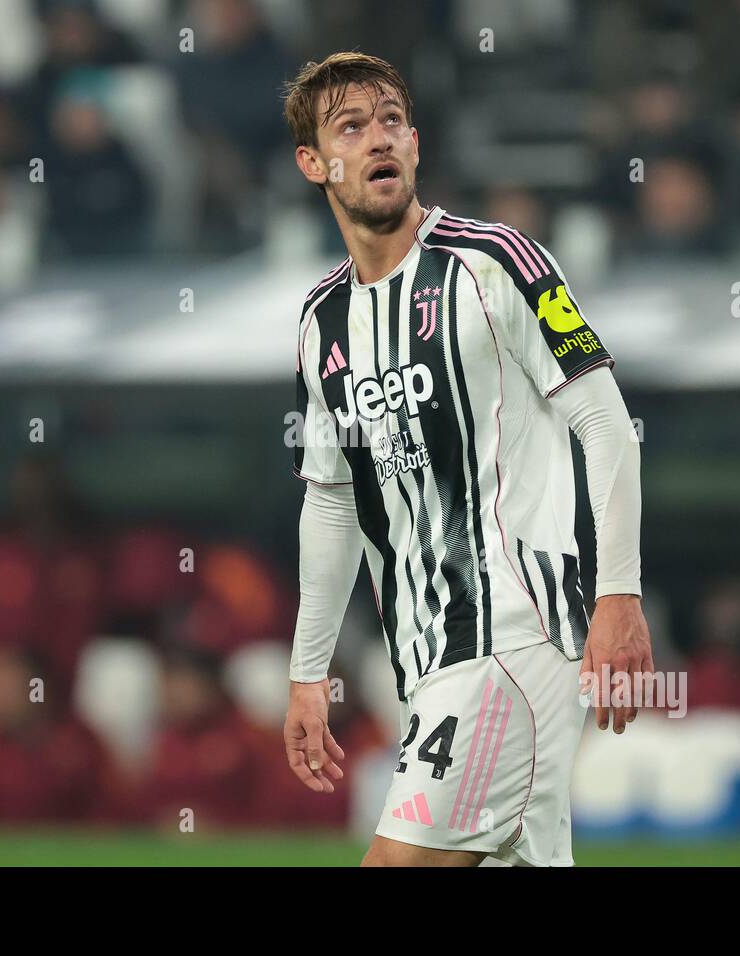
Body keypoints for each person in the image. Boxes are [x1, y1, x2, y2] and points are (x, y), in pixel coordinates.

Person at [279, 53, 651, 867]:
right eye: (350, 126)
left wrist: (617, 595)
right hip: (429, 658)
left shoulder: (496, 264)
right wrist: (310, 673)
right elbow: (334, 501)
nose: (378, 138)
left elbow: (607, 424)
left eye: (390, 121)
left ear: (415, 142)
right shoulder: (320, 323)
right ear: (314, 163)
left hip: (507, 641)